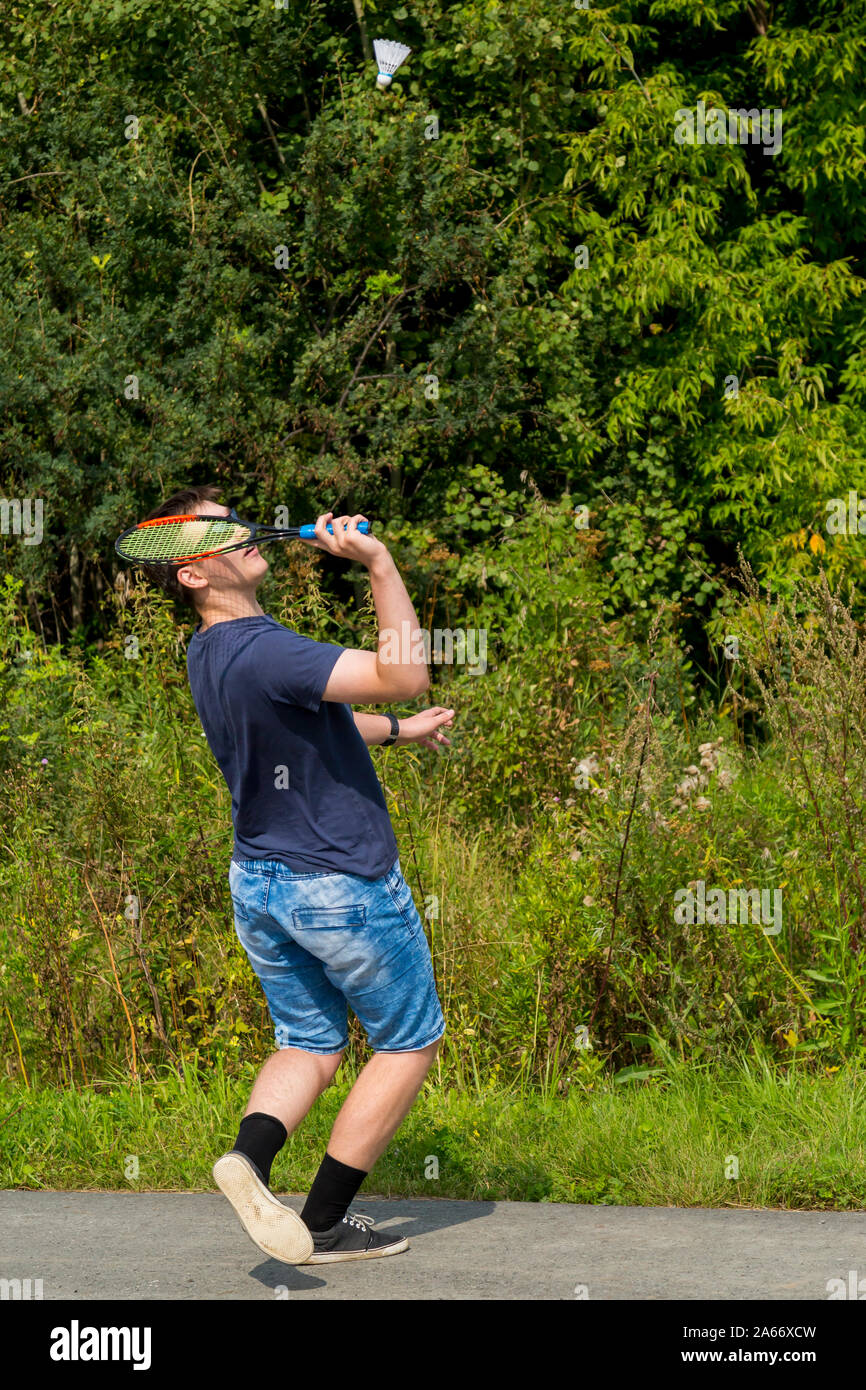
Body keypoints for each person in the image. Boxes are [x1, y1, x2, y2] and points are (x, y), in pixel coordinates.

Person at [140, 484, 452, 1265]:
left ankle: (248, 1160)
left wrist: (396, 732)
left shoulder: (211, 653)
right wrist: (377, 564)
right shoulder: (268, 648)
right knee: (410, 1042)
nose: (244, 532)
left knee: (310, 1039)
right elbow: (403, 672)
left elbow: (310, 722)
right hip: (340, 885)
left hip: (262, 885)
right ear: (191, 574)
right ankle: (323, 1221)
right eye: (221, 531)